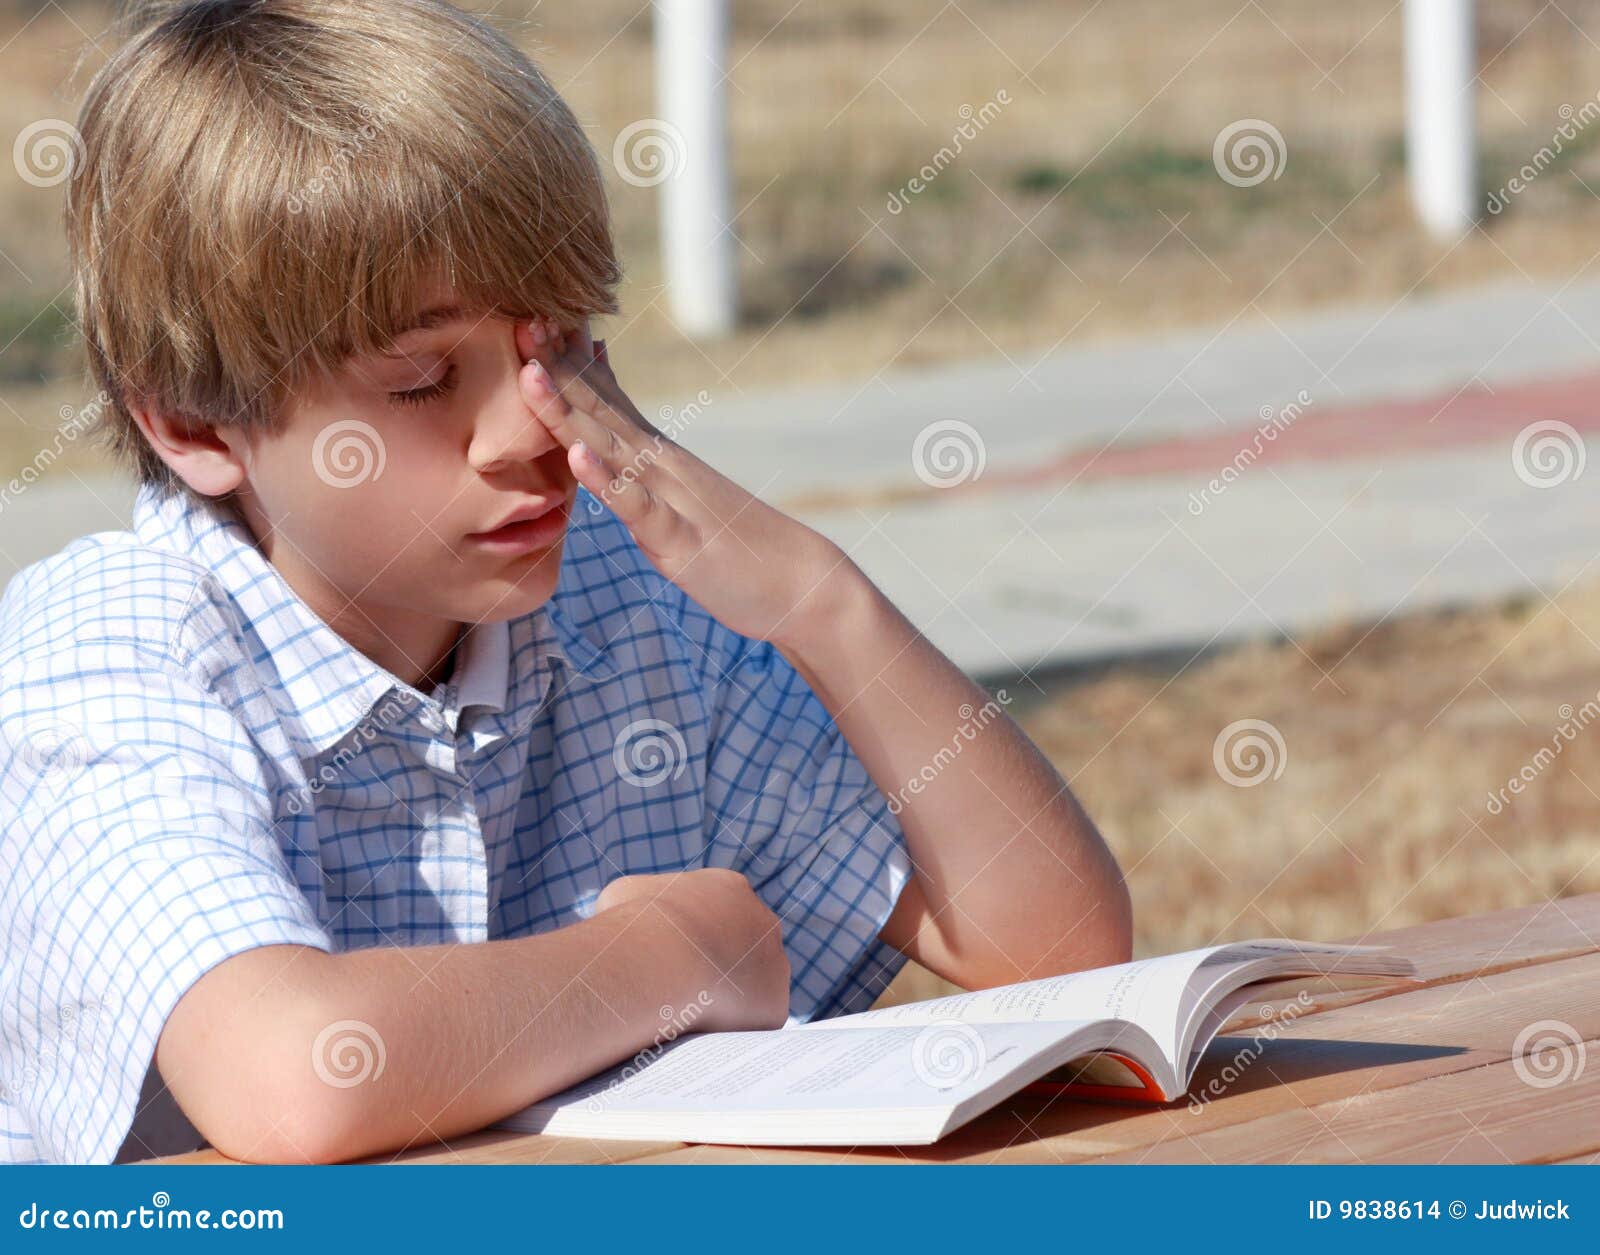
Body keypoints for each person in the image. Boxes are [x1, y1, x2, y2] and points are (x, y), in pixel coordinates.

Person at [0, 0, 1131, 1165]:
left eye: (561, 348)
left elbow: (1063, 954)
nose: (524, 433)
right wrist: (666, 960)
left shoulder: (621, 601)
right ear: (192, 419)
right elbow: (292, 1077)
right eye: (424, 376)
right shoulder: (104, 656)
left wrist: (819, 600)